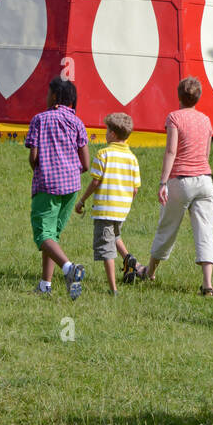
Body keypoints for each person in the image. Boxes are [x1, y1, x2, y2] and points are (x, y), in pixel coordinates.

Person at [136, 77, 213, 296]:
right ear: (198, 97)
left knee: (167, 228)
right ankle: (207, 284)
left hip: (181, 180)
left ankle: (149, 272)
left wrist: (163, 182)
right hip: (206, 181)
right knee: (204, 231)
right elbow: (206, 154)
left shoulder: (174, 117)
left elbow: (171, 151)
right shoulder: (206, 120)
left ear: (179, 95)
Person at [25, 77, 89, 300]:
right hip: (71, 187)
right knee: (53, 236)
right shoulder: (77, 122)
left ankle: (69, 269)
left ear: (54, 96)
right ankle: (45, 285)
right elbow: (87, 163)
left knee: (43, 235)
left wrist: (39, 169)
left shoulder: (39, 120)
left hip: (47, 185)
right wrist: (69, 173)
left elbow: (33, 156)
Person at [74, 112, 141, 294]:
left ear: (112, 134)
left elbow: (95, 181)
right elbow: (135, 189)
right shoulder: (133, 159)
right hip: (121, 211)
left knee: (106, 249)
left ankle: (113, 289)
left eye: (107, 130)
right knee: (114, 236)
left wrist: (81, 201)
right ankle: (129, 260)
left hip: (105, 209)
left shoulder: (103, 154)